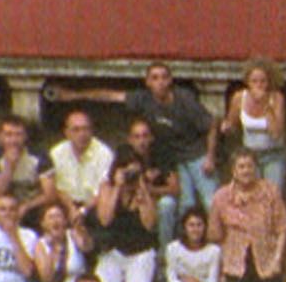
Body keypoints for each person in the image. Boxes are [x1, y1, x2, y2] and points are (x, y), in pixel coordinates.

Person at [53, 62, 220, 215]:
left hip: (196, 154)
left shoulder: (184, 99)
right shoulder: (143, 99)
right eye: (154, 78)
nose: (160, 82)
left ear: (170, 80)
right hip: (173, 158)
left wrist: (210, 157)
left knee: (211, 201)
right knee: (185, 205)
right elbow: (109, 96)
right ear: (147, 82)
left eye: (164, 77)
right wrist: (74, 95)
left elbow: (211, 124)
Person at [207, 149, 286, 282]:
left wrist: (277, 260)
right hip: (233, 265)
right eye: (241, 167)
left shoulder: (270, 192)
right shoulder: (221, 197)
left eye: (250, 166)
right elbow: (215, 237)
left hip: (266, 263)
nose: (246, 171)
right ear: (233, 171)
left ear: (256, 169)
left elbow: (283, 228)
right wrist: (219, 273)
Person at [87, 148, 159, 282]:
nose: (130, 176)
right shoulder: (107, 187)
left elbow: (149, 224)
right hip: (113, 252)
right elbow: (105, 219)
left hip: (140, 253)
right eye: (126, 170)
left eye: (134, 171)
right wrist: (118, 188)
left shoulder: (144, 189)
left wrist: (142, 189)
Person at [221, 59, 286, 192]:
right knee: (250, 194)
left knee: (272, 194)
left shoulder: (277, 98)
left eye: (263, 81)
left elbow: (276, 133)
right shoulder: (239, 98)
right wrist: (226, 127)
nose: (259, 85)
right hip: (250, 156)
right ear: (248, 82)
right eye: (254, 81)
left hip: (272, 154)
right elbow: (232, 124)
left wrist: (266, 105)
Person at [0, 115, 56, 226]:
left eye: (18, 135)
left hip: (32, 209)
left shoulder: (39, 156)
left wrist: (26, 206)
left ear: (25, 136)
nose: (13, 140)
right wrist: (9, 168)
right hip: (4, 209)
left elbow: (50, 195)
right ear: (0, 136)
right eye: (8, 135)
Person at [120, 116, 182, 248]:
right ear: (130, 140)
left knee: (167, 204)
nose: (141, 141)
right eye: (137, 137)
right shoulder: (123, 154)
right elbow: (121, 184)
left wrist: (150, 189)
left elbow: (175, 188)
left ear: (151, 138)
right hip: (135, 200)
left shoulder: (162, 154)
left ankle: (164, 254)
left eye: (144, 136)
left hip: (158, 200)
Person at [49, 110, 113, 222]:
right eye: (76, 130)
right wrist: (71, 208)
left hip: (93, 206)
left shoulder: (104, 153)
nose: (82, 134)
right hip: (65, 205)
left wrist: (83, 210)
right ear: (67, 132)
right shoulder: (56, 153)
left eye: (86, 129)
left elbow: (104, 190)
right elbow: (56, 187)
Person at [31, 202, 91, 282]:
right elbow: (47, 278)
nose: (55, 220)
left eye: (58, 216)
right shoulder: (40, 244)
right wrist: (54, 251)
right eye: (51, 217)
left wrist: (80, 230)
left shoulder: (73, 235)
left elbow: (87, 247)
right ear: (43, 224)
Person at [165, 206, 221, 282]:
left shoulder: (214, 251)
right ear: (184, 227)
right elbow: (171, 281)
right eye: (191, 225)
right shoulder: (173, 248)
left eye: (199, 225)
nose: (195, 229)